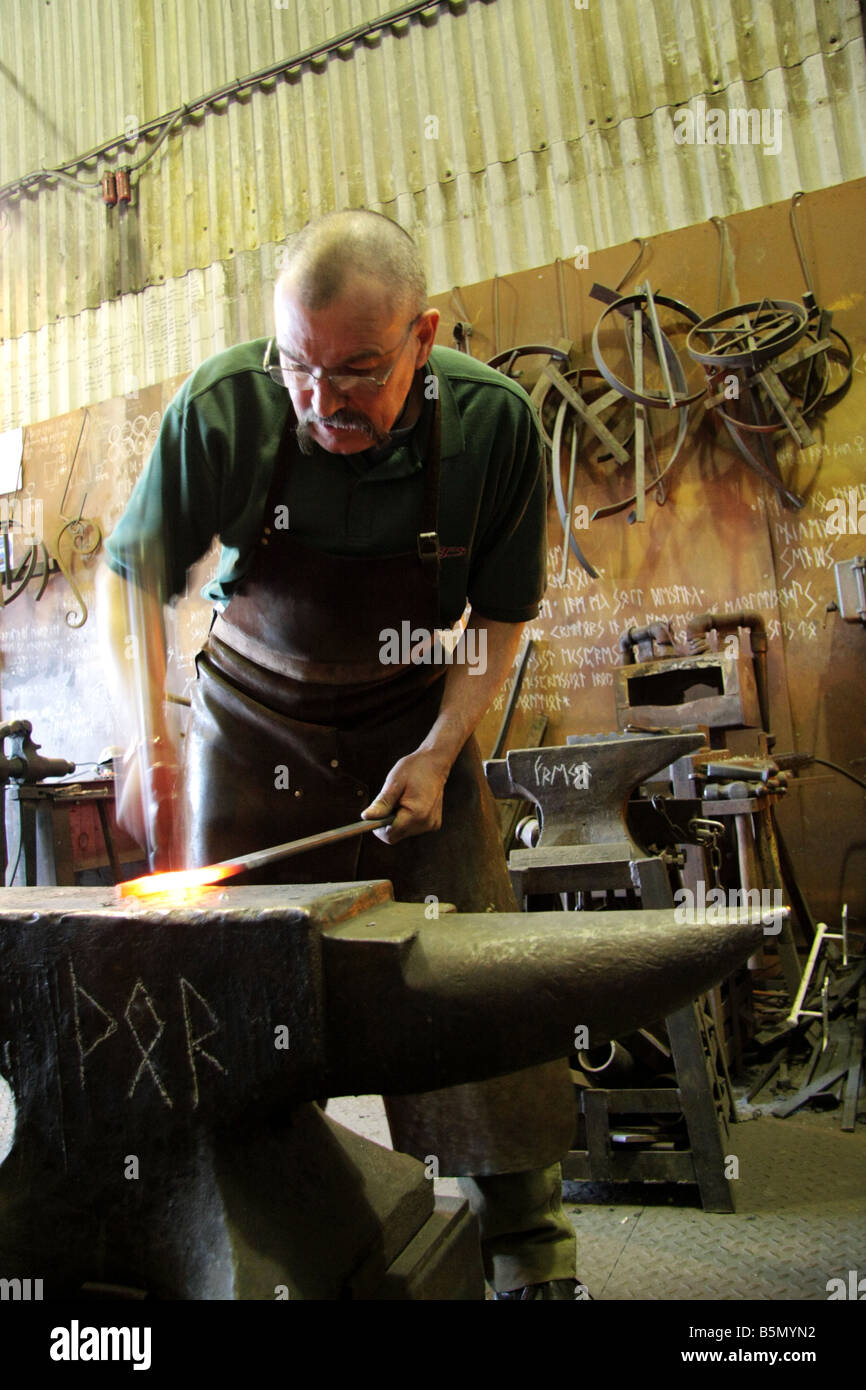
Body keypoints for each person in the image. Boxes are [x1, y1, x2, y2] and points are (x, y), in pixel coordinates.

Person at [98, 208, 579, 1299]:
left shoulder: (495, 426)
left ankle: (528, 1252)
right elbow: (131, 571)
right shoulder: (229, 406)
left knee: (476, 970)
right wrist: (146, 732)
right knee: (211, 978)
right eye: (299, 369)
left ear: (423, 335)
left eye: (359, 371)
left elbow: (498, 619)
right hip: (246, 714)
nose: (323, 403)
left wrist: (440, 748)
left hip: (411, 721)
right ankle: (249, 1231)